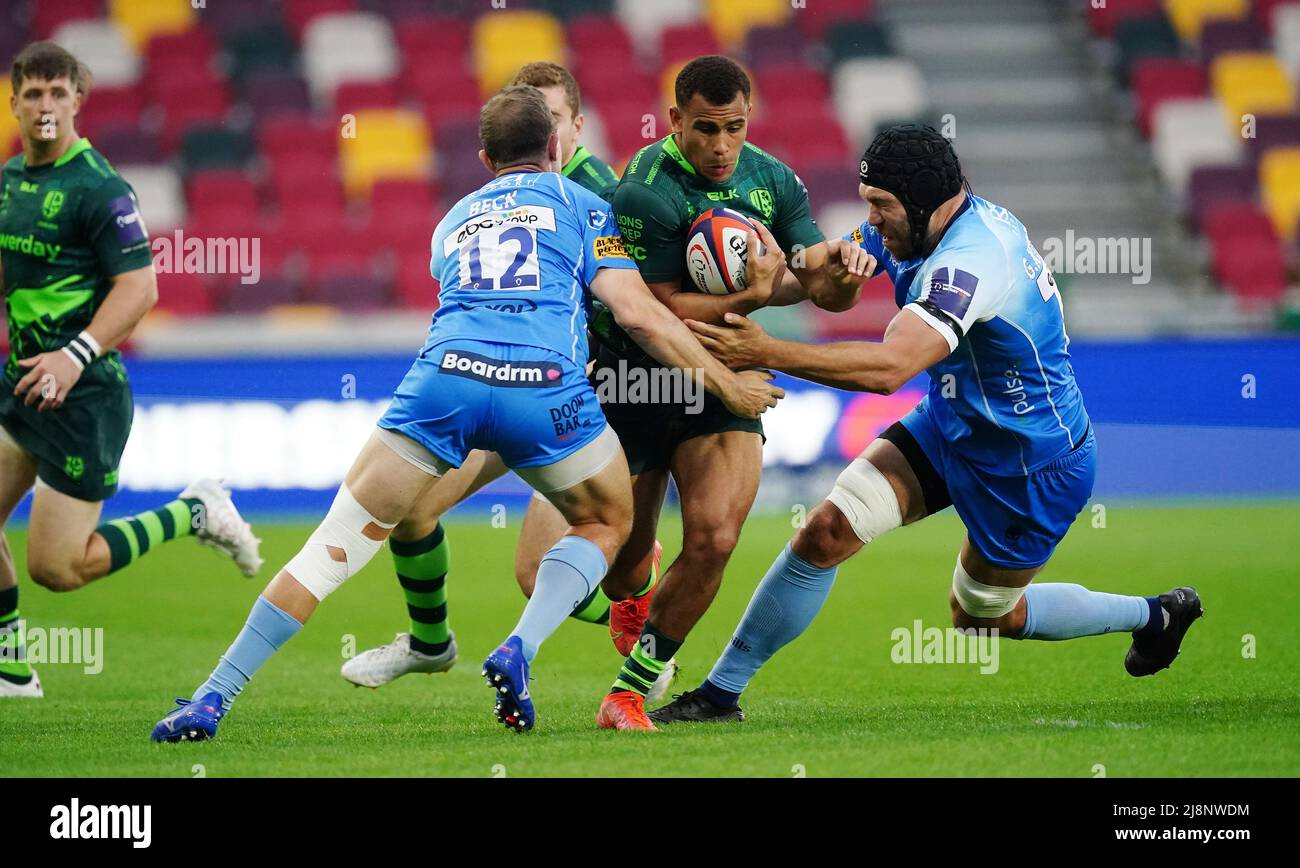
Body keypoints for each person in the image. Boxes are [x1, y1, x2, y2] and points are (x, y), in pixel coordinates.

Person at [150, 85, 783, 741]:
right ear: (559, 146)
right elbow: (638, 313)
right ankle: (520, 647)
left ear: (485, 158)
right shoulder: (585, 205)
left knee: (328, 551)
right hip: (543, 389)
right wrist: (726, 387)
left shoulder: (450, 220)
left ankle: (211, 698)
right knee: (608, 521)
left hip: (443, 383)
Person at [653, 124, 1203, 725]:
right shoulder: (912, 228)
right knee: (824, 533)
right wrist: (779, 283)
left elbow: (891, 368)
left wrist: (767, 350)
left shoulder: (973, 259)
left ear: (923, 202)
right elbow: (821, 278)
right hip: (950, 423)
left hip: (1029, 462)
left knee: (983, 618)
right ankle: (719, 695)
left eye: (881, 207)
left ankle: (1154, 615)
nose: (872, 220)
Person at [340, 62, 667, 694]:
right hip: (505, 385)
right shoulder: (505, 201)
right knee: (410, 514)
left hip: (577, 402)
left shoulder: (606, 197)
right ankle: (430, 643)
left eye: (552, 119)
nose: (545, 133)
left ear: (575, 125)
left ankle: (642, 634)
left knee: (535, 571)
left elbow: (644, 305)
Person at [593, 55, 866, 730]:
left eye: (735, 128)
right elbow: (659, 311)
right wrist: (752, 294)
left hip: (723, 380)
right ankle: (638, 574)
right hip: (636, 378)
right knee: (623, 569)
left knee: (715, 537)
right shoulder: (643, 190)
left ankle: (628, 692)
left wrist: (844, 274)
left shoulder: (772, 180)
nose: (721, 147)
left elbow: (816, 282)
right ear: (677, 119)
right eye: (706, 129)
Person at [0, 43, 260, 699]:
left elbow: (140, 288)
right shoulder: (8, 182)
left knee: (57, 568)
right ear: (15, 103)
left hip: (83, 396)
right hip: (21, 382)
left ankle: (193, 511)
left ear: (78, 101)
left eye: (58, 93)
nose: (46, 105)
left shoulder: (100, 188)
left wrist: (73, 354)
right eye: (33, 94)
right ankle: (10, 671)